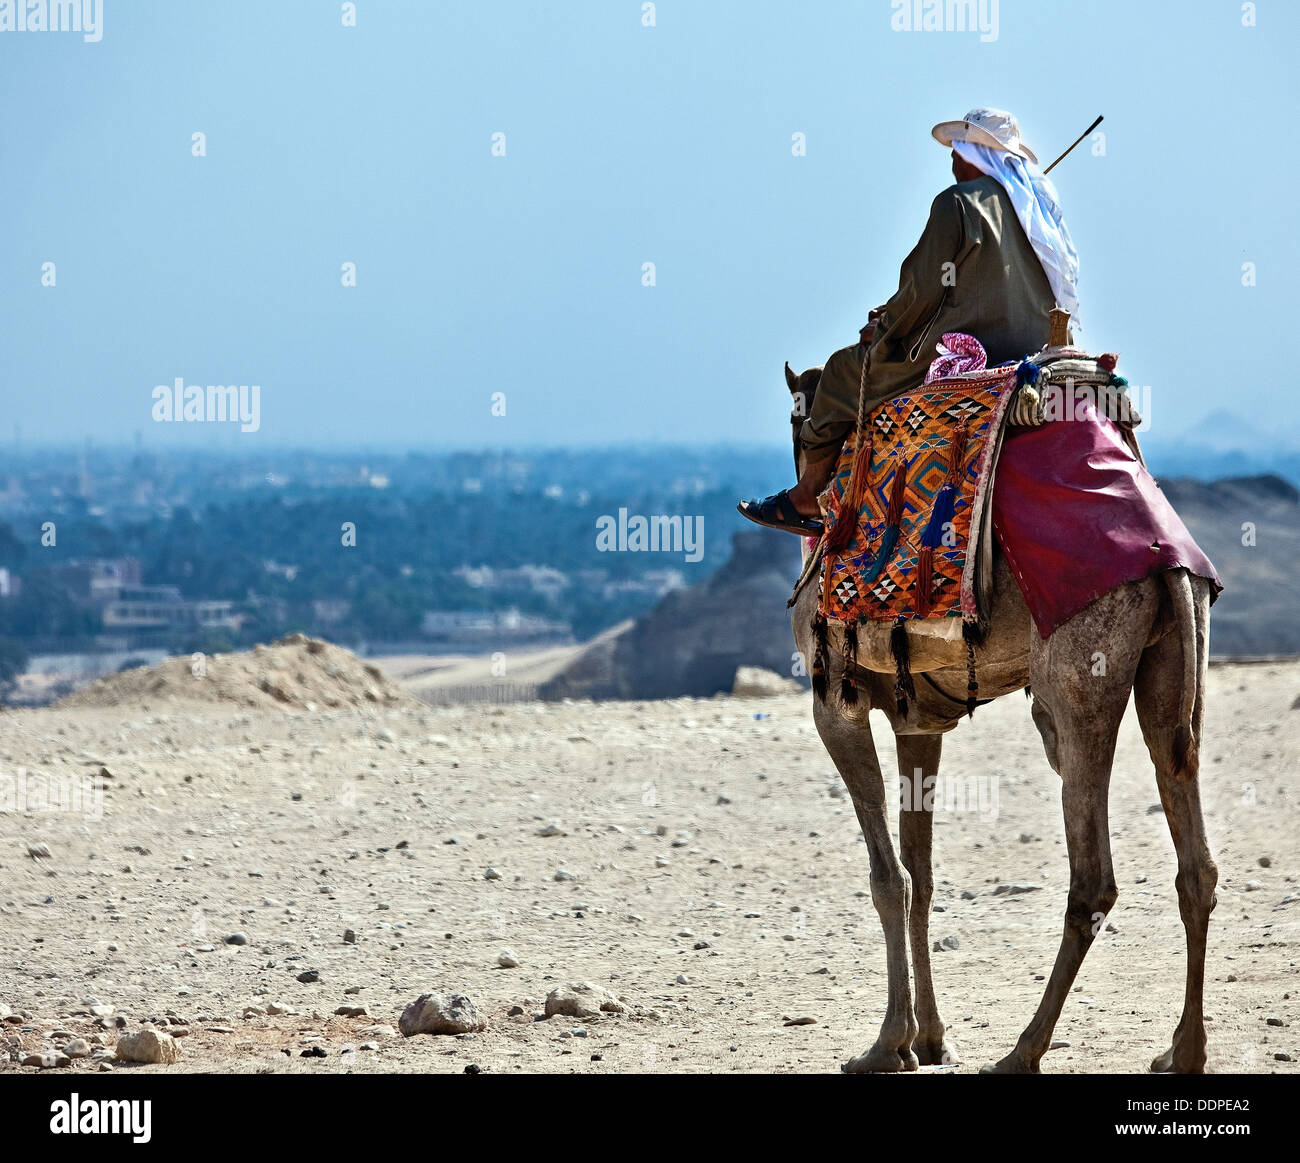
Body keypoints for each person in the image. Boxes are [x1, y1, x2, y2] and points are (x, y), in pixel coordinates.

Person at [739, 107, 1081, 536]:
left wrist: (883, 329)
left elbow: (922, 293)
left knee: (843, 371)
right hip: (1034, 349)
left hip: (967, 352)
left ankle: (805, 494)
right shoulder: (1036, 216)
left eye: (958, 150)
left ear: (975, 155)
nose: (952, 161)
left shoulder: (955, 203)